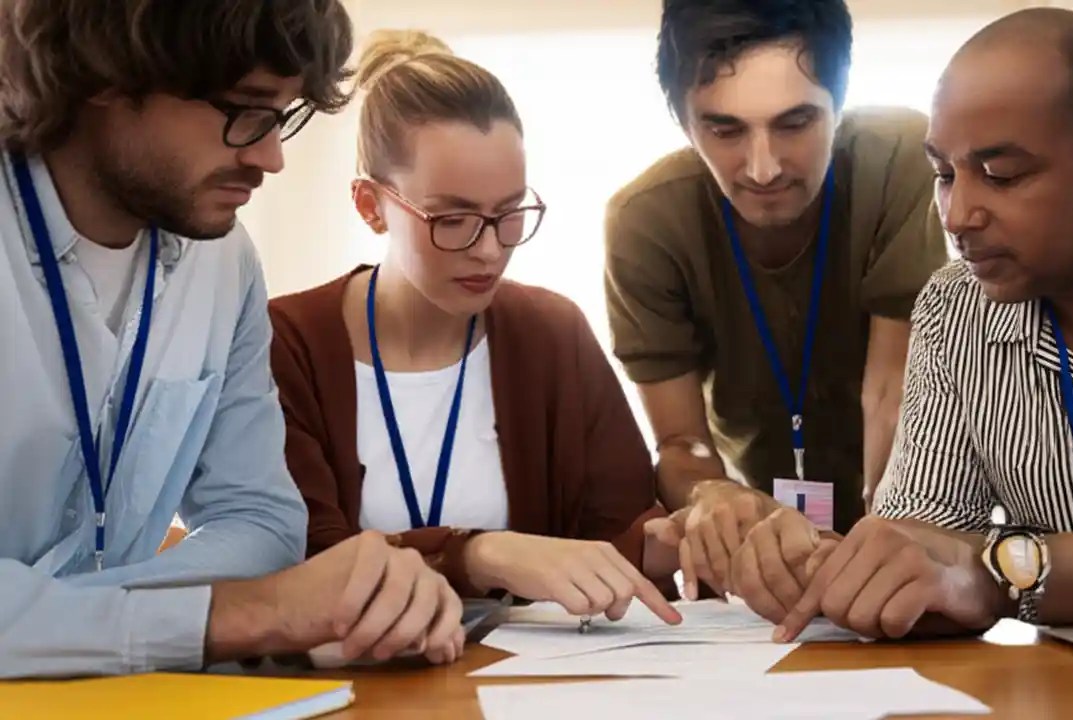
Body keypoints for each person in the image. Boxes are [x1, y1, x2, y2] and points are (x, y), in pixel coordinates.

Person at [759, 7, 1073, 640]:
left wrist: (1004, 573)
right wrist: (846, 568)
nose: (956, 216)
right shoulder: (954, 310)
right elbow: (928, 536)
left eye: (1001, 176)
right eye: (944, 175)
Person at [0, 1, 466, 679]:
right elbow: (258, 585)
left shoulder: (223, 261)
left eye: (284, 116)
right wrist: (245, 615)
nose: (271, 157)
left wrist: (56, 622)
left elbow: (262, 523)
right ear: (101, 74)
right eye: (245, 110)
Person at [268, 31, 682, 625]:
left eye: (510, 213)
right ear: (370, 205)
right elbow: (300, 562)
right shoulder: (287, 343)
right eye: (453, 219)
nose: (489, 250)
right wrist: (482, 554)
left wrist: (686, 539)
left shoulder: (552, 331)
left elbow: (615, 538)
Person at [606, 0, 947, 599]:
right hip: (758, 536)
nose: (763, 169)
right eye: (725, 130)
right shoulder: (645, 220)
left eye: (795, 124)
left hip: (903, 504)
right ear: (684, 123)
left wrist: (879, 538)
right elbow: (681, 444)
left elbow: (893, 393)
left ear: (839, 105)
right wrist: (715, 498)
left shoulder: (899, 159)